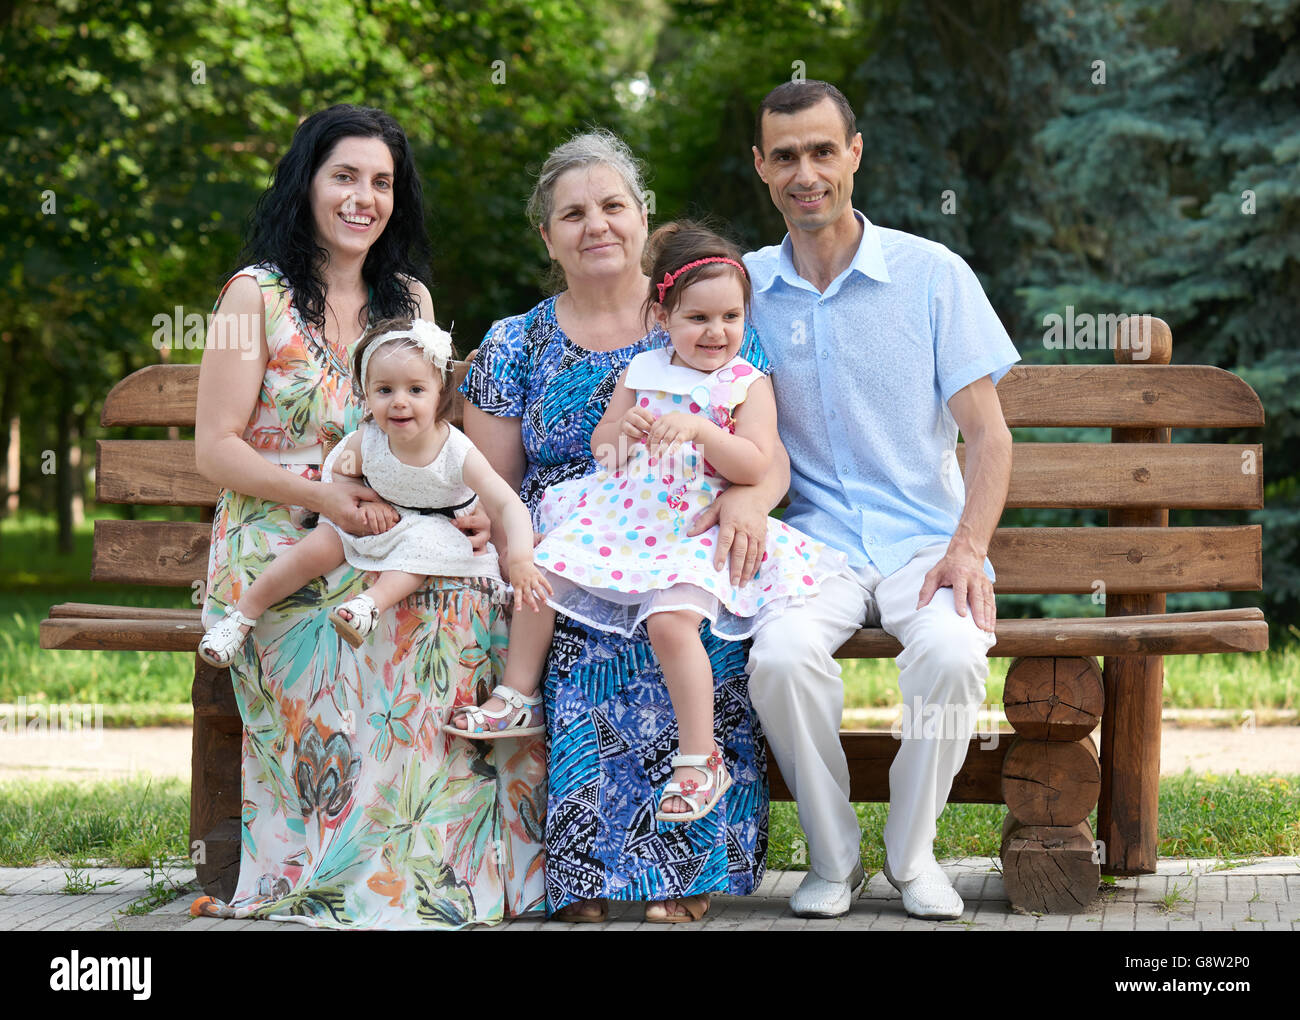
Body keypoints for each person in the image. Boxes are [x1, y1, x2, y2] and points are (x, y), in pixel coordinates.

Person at [191, 104, 546, 929]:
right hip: (286, 538)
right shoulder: (258, 295)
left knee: (474, 618)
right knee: (340, 628)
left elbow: (431, 433)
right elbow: (214, 450)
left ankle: (448, 869)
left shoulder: (407, 297)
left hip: (395, 532)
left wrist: (465, 513)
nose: (364, 197)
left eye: (381, 182)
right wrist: (326, 497)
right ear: (306, 183)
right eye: (344, 176)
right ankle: (347, 877)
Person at [461, 132, 784, 923]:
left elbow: (769, 457)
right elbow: (488, 480)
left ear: (644, 217)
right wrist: (494, 531)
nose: (595, 224)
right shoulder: (514, 343)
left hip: (692, 529)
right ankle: (584, 877)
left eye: (613, 205)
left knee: (690, 624)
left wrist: (747, 500)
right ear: (548, 236)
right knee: (578, 628)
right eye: (572, 213)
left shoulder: (705, 314)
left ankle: (688, 874)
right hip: (572, 538)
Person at [449, 222, 844, 828]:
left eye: (730, 318)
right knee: (544, 570)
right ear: (663, 316)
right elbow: (605, 445)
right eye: (697, 319)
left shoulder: (746, 383)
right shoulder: (642, 370)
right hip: (630, 515)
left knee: (669, 621)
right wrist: (621, 435)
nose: (716, 333)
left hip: (694, 526)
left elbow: (757, 462)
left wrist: (707, 432)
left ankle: (699, 756)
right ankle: (517, 695)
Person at [742, 80, 1018, 920]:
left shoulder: (931, 275)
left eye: (823, 150)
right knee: (780, 659)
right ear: (761, 167)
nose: (806, 172)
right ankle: (832, 859)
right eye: (785, 156)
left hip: (924, 543)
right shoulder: (742, 287)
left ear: (854, 154)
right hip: (811, 545)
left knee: (953, 655)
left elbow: (990, 436)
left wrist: (967, 550)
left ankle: (912, 851)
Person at [197, 317, 553, 699]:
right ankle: (243, 614)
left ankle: (367, 608)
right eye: (384, 390)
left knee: (421, 550)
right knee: (321, 545)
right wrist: (364, 502)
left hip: (438, 526)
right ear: (366, 394)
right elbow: (341, 476)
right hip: (381, 521)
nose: (399, 401)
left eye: (415, 389)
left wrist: (520, 558)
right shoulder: (367, 441)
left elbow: (506, 503)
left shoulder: (456, 451)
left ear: (440, 395)